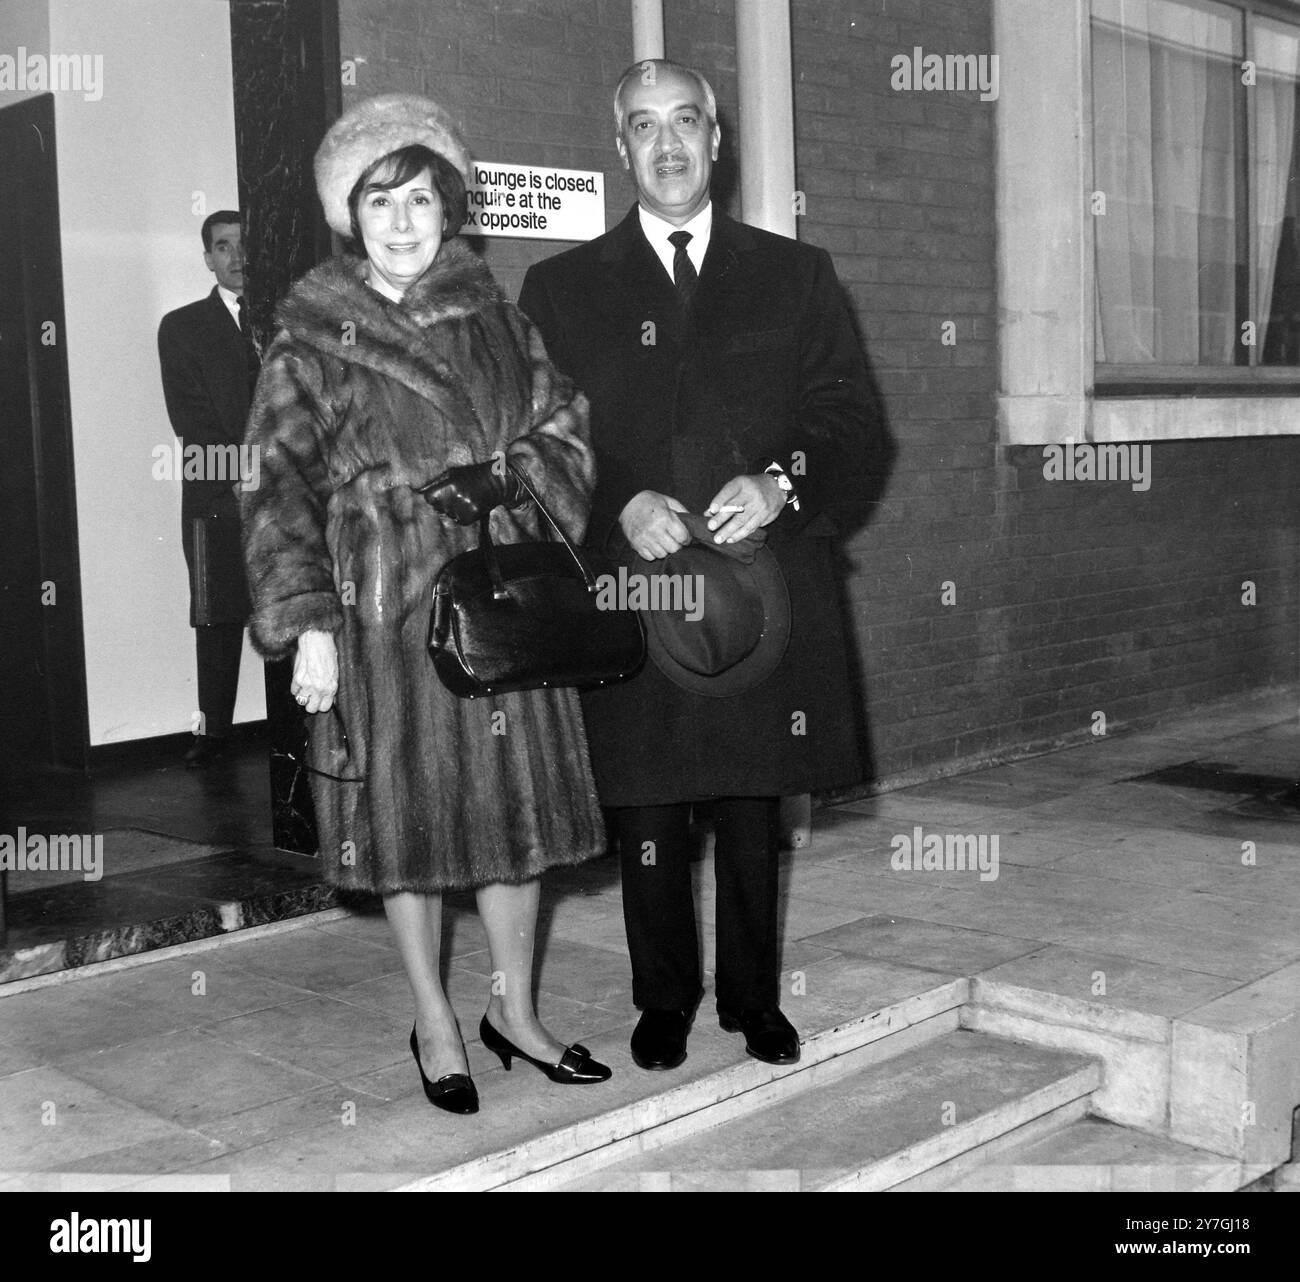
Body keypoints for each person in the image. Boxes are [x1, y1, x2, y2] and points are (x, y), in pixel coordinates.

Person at [240, 94, 611, 1114]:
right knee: (407, 827)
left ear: (447, 206)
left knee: (514, 818)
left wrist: (508, 478)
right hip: (382, 611)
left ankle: (513, 1010)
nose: (401, 221)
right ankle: (434, 1020)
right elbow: (275, 488)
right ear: (347, 218)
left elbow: (569, 424)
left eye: (417, 198)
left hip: (500, 605)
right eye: (377, 202)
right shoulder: (307, 339)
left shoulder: (498, 317)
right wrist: (306, 619)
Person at [519, 60, 873, 1071]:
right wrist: (616, 500)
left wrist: (780, 483)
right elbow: (545, 437)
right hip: (638, 581)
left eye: (686, 122)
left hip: (764, 581)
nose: (667, 145)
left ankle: (752, 998)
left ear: (718, 140)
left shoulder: (796, 274)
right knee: (647, 794)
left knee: (754, 794)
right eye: (643, 126)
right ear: (618, 146)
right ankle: (664, 997)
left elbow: (848, 419)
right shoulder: (563, 288)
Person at [158, 211, 258, 767]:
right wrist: (257, 471)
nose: (237, 257)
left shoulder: (288, 321)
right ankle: (214, 734)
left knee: (290, 605)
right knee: (219, 615)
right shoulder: (182, 326)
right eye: (224, 247)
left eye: (245, 246)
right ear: (208, 259)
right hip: (216, 488)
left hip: (287, 492)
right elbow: (190, 418)